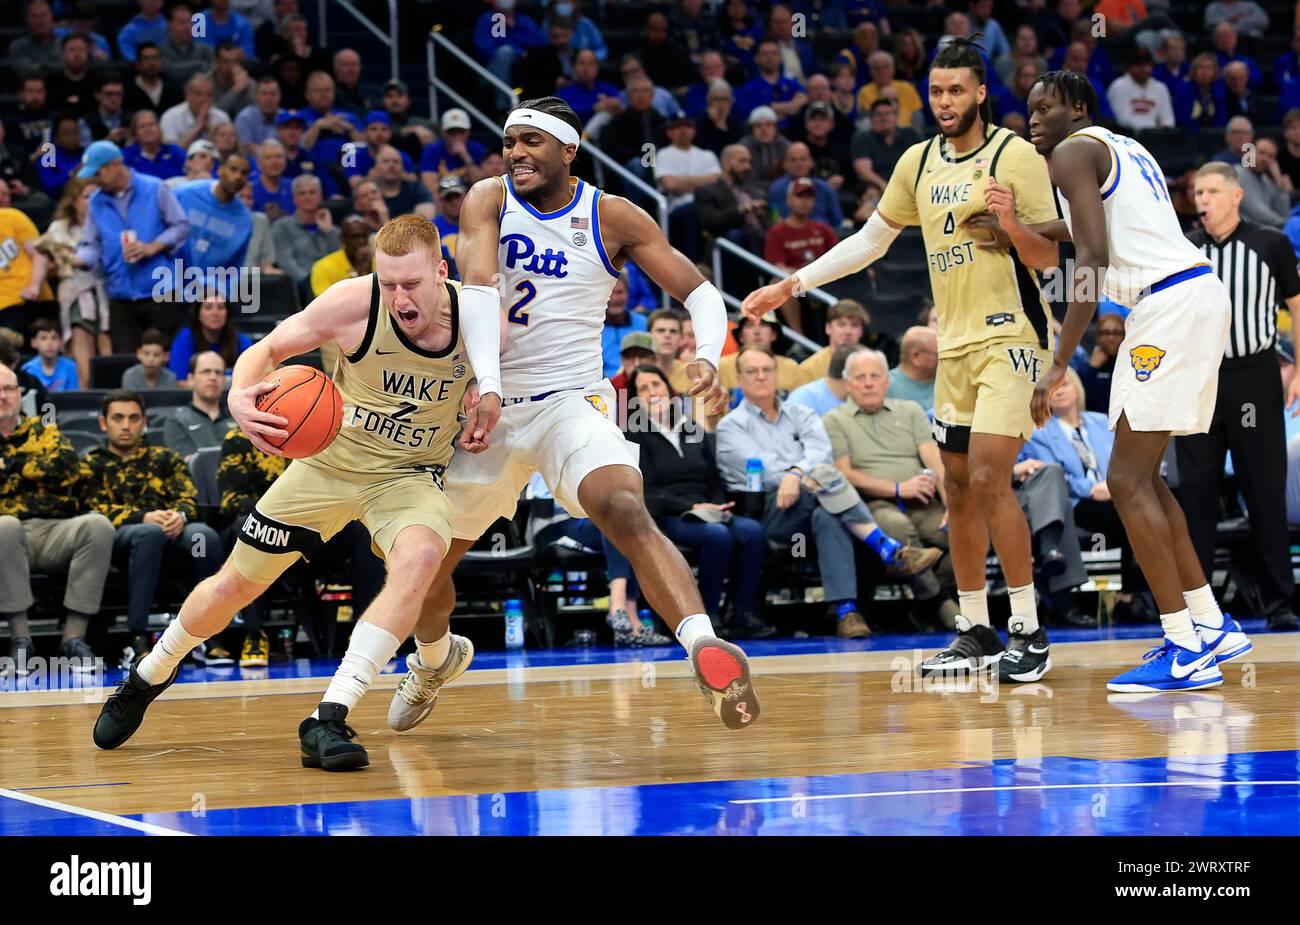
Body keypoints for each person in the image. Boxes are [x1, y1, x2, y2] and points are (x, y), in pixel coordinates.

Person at [400, 96, 765, 731]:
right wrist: (485, 385)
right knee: (424, 566)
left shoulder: (613, 216)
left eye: (530, 142)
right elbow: (481, 293)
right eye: (509, 140)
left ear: (569, 150)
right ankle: (434, 660)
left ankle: (705, 646)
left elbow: (702, 291)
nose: (514, 152)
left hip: (571, 400)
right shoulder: (487, 198)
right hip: (487, 401)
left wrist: (708, 357)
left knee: (623, 507)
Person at [92, 216, 476, 771]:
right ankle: (149, 674)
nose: (398, 297)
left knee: (419, 560)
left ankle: (332, 714)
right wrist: (239, 397)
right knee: (230, 588)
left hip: (409, 476)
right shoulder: (351, 304)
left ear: (441, 272)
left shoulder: (480, 319)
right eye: (387, 283)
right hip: (327, 466)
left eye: (411, 284)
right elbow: (266, 349)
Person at [743, 38, 1064, 683]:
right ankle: (974, 627)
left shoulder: (1016, 155)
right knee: (959, 486)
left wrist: (1008, 229)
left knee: (990, 475)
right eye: (936, 91)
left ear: (979, 92)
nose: (944, 102)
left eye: (956, 91)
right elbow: (869, 242)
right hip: (954, 348)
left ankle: (1029, 631)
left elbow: (1055, 255)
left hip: (1014, 338)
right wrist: (792, 285)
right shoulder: (916, 162)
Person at [1023, 69, 1252, 692]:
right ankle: (1209, 624)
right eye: (1029, 110)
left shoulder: (1070, 153)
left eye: (1046, 107)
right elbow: (1102, 232)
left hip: (1167, 306)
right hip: (1186, 295)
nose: (1034, 119)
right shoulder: (1123, 147)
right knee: (1144, 477)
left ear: (1078, 108)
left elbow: (1093, 260)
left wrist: (1058, 361)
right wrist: (1026, 230)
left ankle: (1184, 647)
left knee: (1123, 480)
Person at [717, 345, 943, 639]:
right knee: (825, 481)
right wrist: (796, 474)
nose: (761, 377)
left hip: (815, 501)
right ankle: (887, 548)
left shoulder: (802, 413)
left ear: (777, 374)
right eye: (752, 371)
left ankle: (846, 613)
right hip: (770, 513)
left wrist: (795, 474)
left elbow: (822, 454)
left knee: (829, 516)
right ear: (739, 378)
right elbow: (763, 469)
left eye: (767, 370)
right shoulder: (730, 427)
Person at [1177, 162, 1300, 632]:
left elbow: (1296, 306)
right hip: (1197, 378)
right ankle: (1196, 607)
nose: (1201, 198)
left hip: (1253, 376)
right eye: (1196, 191)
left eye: (1210, 190)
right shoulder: (1184, 248)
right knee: (1195, 494)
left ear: (1236, 195)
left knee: (1264, 490)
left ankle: (1278, 602)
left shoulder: (1270, 242)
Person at [620, 363, 773, 639]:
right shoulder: (632, 435)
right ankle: (707, 615)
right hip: (666, 515)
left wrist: (717, 505)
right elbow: (647, 490)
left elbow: (714, 479)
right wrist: (692, 508)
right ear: (634, 400)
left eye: (656, 384)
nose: (652, 392)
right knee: (717, 536)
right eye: (643, 389)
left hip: (708, 509)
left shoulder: (691, 427)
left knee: (751, 531)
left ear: (669, 390)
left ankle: (742, 613)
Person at [824, 349, 958, 638]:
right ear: (847, 384)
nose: (869, 383)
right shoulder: (834, 419)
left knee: (966, 527)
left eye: (875, 376)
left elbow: (935, 460)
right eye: (860, 378)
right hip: (873, 504)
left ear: (887, 382)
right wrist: (899, 488)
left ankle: (929, 601)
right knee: (897, 529)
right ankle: (941, 604)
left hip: (923, 500)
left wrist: (952, 504)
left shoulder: (910, 410)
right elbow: (845, 473)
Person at [85, 389, 223, 661]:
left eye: (134, 418)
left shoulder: (165, 458)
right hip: (119, 543)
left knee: (203, 536)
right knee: (148, 534)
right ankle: (137, 638)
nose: (126, 425)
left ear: (144, 421)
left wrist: (179, 516)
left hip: (172, 536)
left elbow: (188, 498)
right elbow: (89, 510)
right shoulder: (93, 463)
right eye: (118, 418)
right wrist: (143, 517)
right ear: (104, 423)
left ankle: (207, 635)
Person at [0, 361, 114, 671]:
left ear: (20, 394)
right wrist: (36, 469)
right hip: (7, 535)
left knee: (97, 525)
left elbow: (68, 468)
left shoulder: (44, 431)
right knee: (4, 525)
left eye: (9, 389)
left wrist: (11, 465)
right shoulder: (41, 445)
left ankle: (73, 640)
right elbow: (51, 472)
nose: (2, 396)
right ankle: (20, 641)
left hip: (54, 529)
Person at [74, 141, 190, 353]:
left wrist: (153, 247)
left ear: (115, 166)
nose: (95, 181)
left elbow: (181, 226)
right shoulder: (95, 202)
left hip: (160, 291)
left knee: (164, 356)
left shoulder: (154, 188)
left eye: (98, 174)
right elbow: (91, 245)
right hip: (120, 295)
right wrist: (78, 259)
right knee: (126, 360)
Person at [29, 177, 109, 387]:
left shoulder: (109, 222)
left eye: (96, 197)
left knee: (108, 352)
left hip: (109, 294)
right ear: (73, 200)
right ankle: (86, 402)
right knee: (82, 354)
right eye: (85, 197)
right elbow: (41, 253)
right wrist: (35, 284)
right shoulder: (60, 227)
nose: (91, 202)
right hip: (76, 292)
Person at [173, 154, 254, 298]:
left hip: (207, 295)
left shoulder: (244, 220)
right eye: (233, 169)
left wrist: (222, 295)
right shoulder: (184, 193)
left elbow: (234, 267)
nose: (238, 176)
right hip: (167, 281)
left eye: (244, 173)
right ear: (220, 170)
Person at [271, 175, 340, 287]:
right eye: (302, 193)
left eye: (312, 192)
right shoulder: (282, 227)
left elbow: (340, 260)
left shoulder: (333, 230)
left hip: (333, 286)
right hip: (302, 287)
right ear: (294, 199)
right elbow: (286, 263)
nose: (307, 197)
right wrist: (310, 283)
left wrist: (329, 232)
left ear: (320, 196)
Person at [164, 351, 236, 460]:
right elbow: (189, 465)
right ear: (191, 379)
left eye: (218, 372)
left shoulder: (238, 418)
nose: (213, 377)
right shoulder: (176, 421)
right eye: (206, 371)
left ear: (224, 380)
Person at [169, 295, 254, 385]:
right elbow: (180, 382)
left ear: (227, 313)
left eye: (220, 308)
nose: (215, 313)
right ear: (198, 314)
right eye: (208, 307)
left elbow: (252, 378)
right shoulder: (185, 338)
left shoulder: (240, 340)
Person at [799, 300, 868, 381]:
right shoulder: (808, 369)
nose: (848, 331)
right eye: (841, 324)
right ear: (828, 328)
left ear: (861, 331)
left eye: (854, 325)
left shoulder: (875, 363)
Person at [161, 73, 232, 149]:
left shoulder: (222, 117)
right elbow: (171, 153)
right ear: (187, 95)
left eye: (209, 95)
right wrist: (197, 128)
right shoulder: (171, 117)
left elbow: (229, 149)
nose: (204, 99)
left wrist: (211, 130)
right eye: (198, 94)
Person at [789, 343, 860, 417]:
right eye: (862, 376)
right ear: (847, 376)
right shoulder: (803, 400)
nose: (869, 382)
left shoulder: (863, 398)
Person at [122, 110, 186, 181]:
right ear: (135, 134)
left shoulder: (175, 152)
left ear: (159, 129)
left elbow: (187, 177)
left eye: (151, 125)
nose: (148, 129)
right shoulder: (126, 156)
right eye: (142, 126)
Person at [888, 325, 938, 413]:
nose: (944, 359)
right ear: (915, 356)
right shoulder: (885, 386)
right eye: (938, 353)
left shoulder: (947, 385)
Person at [20, 320, 78, 391]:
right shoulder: (27, 370)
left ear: (61, 342)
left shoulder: (71, 367)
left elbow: (73, 397)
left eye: (54, 338)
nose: (49, 343)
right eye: (43, 338)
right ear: (34, 342)